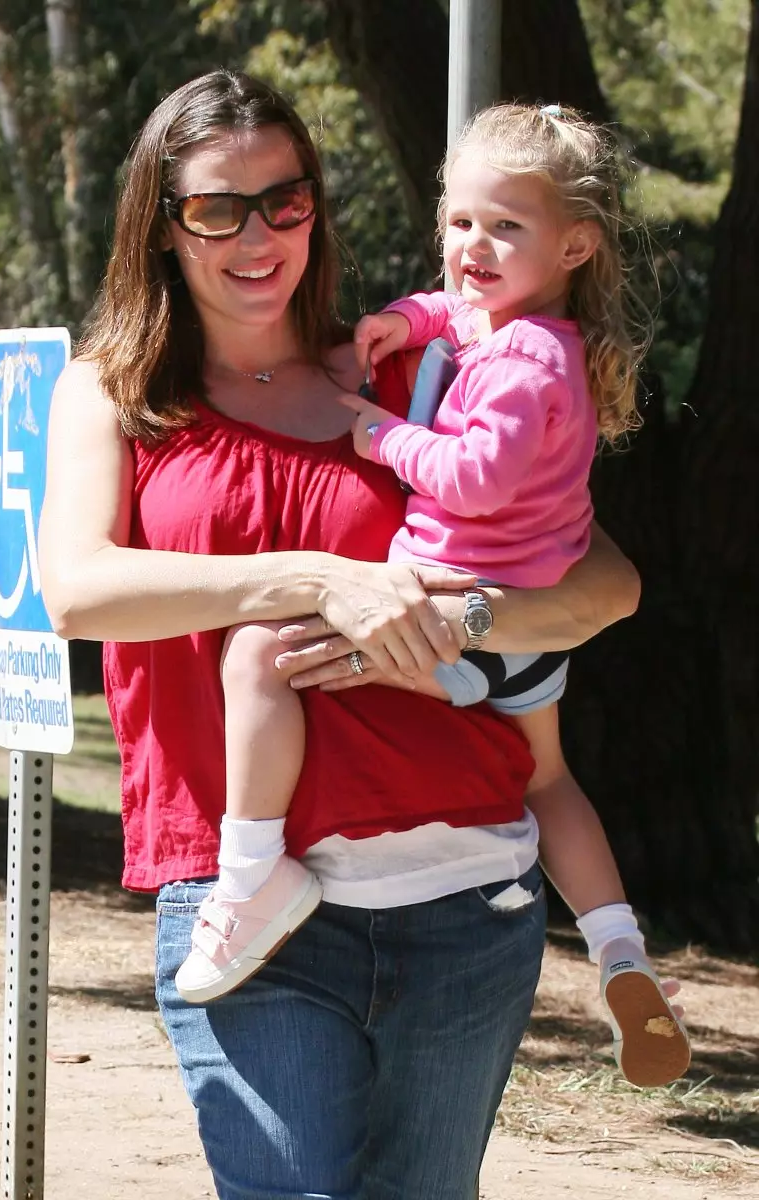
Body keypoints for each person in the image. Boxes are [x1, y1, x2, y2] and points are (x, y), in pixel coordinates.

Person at [38, 69, 673, 1200]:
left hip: (464, 895)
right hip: (243, 907)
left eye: (284, 200)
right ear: (161, 222)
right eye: (215, 207)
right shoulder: (115, 391)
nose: (257, 233)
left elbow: (604, 588)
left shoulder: (398, 364)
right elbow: (80, 591)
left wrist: (452, 617)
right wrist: (320, 580)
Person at [171, 97, 689, 1090]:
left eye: (505, 228)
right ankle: (620, 951)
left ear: (574, 244)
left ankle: (247, 879)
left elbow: (473, 480)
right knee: (546, 781)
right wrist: (393, 322)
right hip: (529, 620)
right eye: (459, 222)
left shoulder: (521, 366)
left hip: (467, 606)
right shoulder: (509, 324)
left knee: (262, 657)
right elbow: (444, 309)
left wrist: (374, 432)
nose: (472, 248)